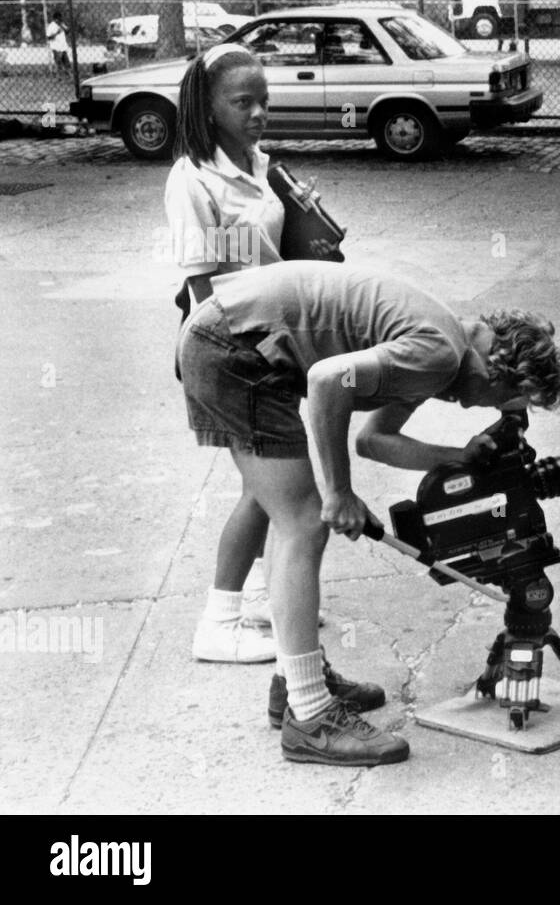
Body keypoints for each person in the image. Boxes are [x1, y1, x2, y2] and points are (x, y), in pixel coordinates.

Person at [175, 259, 560, 765]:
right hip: (233, 344)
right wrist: (339, 492)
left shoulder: (443, 343)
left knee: (286, 510)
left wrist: (457, 458)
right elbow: (328, 379)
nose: (483, 411)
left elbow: (374, 440)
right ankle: (310, 718)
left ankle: (294, 683)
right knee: (304, 521)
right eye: (504, 401)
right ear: (499, 370)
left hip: (231, 333)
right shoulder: (439, 353)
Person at [166, 43, 338, 664]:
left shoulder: (261, 165)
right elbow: (203, 285)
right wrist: (259, 345)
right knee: (278, 493)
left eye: (265, 99)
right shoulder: (194, 178)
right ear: (209, 109)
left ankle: (269, 599)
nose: (259, 112)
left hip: (274, 340)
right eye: (244, 103)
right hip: (233, 347)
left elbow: (269, 253)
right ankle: (218, 621)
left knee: (266, 487)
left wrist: (304, 221)